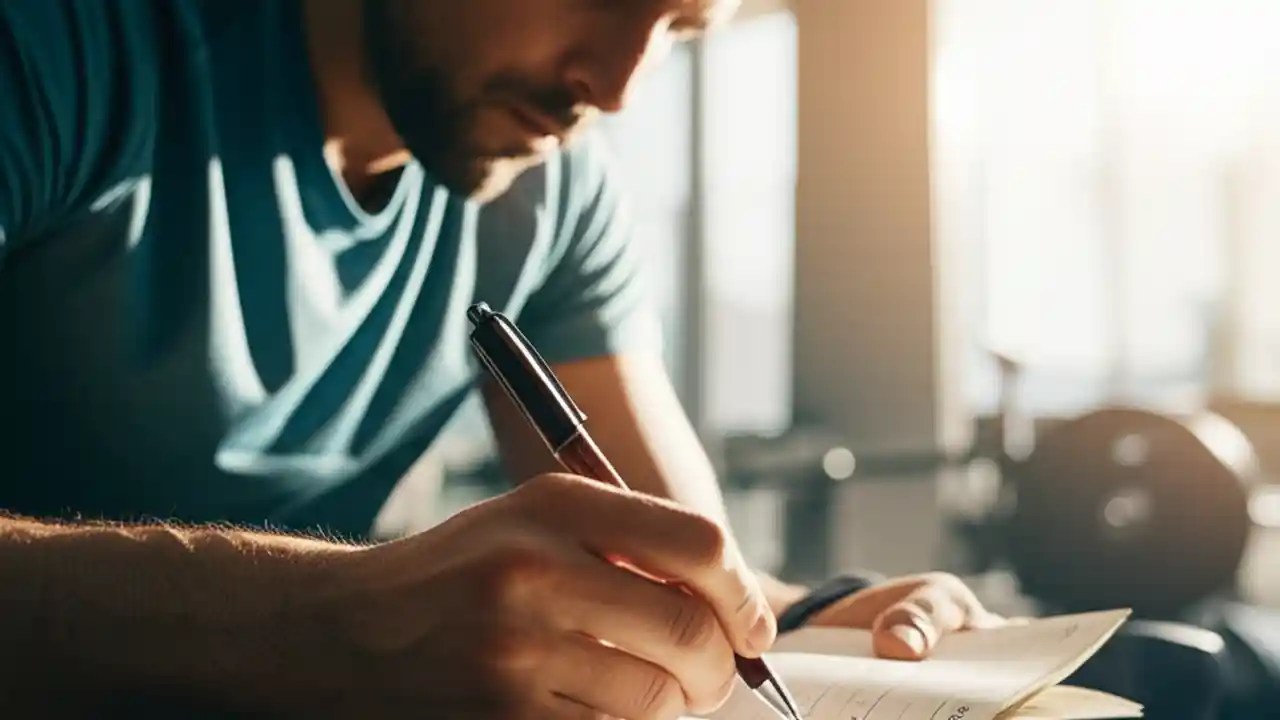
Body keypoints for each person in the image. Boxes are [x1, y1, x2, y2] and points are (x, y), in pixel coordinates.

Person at [0, 0, 1005, 716]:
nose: (616, 88)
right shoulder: (62, 46)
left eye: (681, 28)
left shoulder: (551, 189)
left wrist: (818, 617)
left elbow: (676, 556)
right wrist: (330, 620)